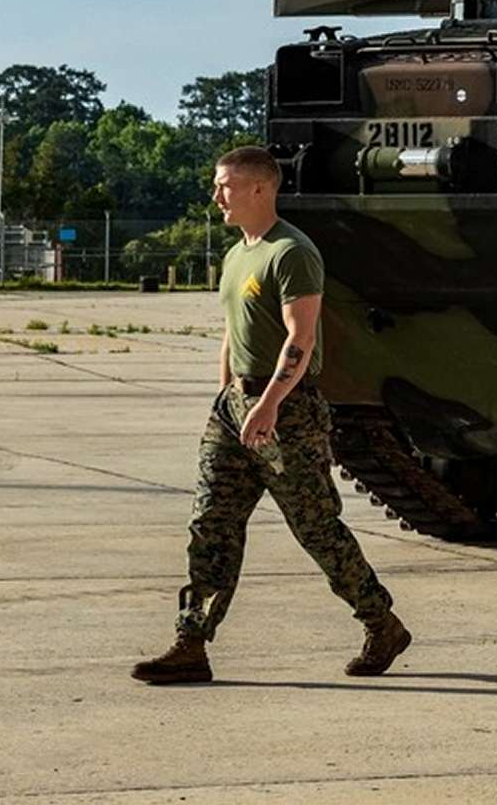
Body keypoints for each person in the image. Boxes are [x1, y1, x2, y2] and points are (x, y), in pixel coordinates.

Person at [132, 146, 410, 684]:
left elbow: (300, 339)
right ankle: (191, 643)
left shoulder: (292, 252)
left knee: (316, 529)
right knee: (210, 522)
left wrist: (267, 406)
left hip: (288, 411)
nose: (216, 197)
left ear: (260, 189)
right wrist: (227, 397)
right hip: (236, 408)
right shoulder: (238, 254)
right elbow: (232, 334)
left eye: (225, 186)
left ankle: (382, 624)